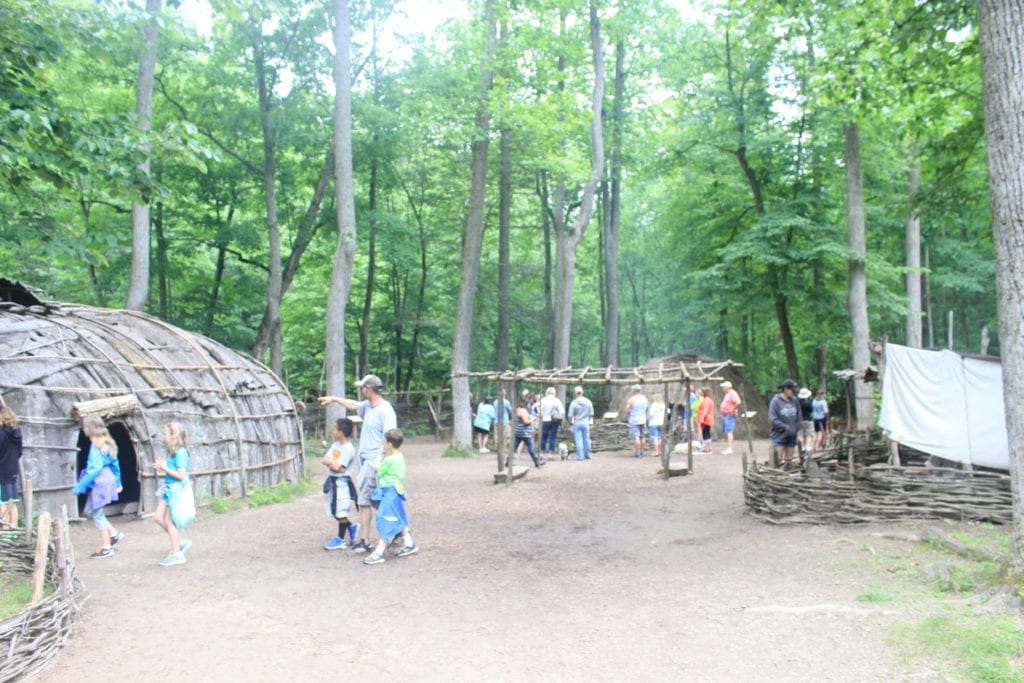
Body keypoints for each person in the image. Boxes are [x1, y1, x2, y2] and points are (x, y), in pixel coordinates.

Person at [319, 374, 397, 556]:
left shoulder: (385, 410)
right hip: (365, 462)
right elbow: (353, 405)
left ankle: (368, 541)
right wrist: (335, 399)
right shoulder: (368, 407)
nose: (361, 391)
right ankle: (400, 533)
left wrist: (379, 461)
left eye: (362, 388)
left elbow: (389, 438)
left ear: (369, 389)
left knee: (366, 501)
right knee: (375, 501)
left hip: (374, 462)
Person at [72, 416, 125, 559]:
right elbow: (115, 465)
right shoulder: (108, 444)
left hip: (100, 482)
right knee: (92, 511)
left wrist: (80, 486)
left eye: (84, 427)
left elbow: (94, 469)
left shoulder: (96, 447)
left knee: (96, 513)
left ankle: (107, 547)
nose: (83, 429)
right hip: (107, 480)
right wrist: (118, 482)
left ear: (89, 429)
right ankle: (114, 534)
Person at [363, 428, 418, 565]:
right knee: (398, 518)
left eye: (385, 442)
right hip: (397, 490)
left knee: (385, 519)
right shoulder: (400, 456)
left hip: (389, 493)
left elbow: (377, 468)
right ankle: (410, 544)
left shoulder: (389, 460)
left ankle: (378, 552)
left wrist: (379, 454)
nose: (383, 444)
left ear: (390, 444)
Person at [153, 421, 194, 567]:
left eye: (165, 434)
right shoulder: (173, 452)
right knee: (158, 517)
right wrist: (164, 465)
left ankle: (177, 554)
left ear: (174, 435)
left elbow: (181, 475)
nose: (164, 437)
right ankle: (179, 541)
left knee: (170, 522)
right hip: (168, 488)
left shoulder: (181, 452)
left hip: (175, 489)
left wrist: (163, 468)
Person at [321, 417, 359, 551]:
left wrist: (332, 464)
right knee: (334, 510)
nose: (333, 431)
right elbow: (325, 460)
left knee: (341, 512)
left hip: (342, 483)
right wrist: (333, 464)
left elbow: (339, 468)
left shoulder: (348, 449)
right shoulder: (336, 444)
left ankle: (340, 539)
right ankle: (351, 527)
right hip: (333, 481)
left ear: (341, 432)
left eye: (335, 429)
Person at [0, 403, 24, 536]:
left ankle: (5, 530)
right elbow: (19, 452)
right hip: (13, 470)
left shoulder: (2, 434)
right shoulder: (17, 433)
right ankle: (13, 530)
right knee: (13, 502)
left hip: (2, 471)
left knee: (3, 502)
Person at [769, 379, 802, 463]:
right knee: (778, 461)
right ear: (786, 389)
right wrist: (785, 428)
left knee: (789, 461)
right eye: (792, 390)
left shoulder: (795, 401)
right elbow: (773, 419)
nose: (794, 393)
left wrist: (796, 428)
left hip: (792, 436)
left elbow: (799, 417)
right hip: (779, 436)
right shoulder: (775, 401)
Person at [513, 396, 544, 468]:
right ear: (525, 403)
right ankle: (536, 462)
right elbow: (526, 422)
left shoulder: (517, 410)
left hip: (518, 431)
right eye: (528, 404)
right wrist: (533, 419)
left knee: (514, 447)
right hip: (524, 432)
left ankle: (508, 461)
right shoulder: (523, 411)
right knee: (530, 446)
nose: (529, 405)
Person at [623, 384, 649, 458]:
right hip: (643, 419)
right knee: (642, 436)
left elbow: (626, 410)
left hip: (634, 420)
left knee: (636, 436)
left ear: (634, 390)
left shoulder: (632, 399)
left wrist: (630, 412)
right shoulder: (645, 398)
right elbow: (647, 408)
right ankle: (642, 452)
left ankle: (637, 453)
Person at [538, 387, 565, 460]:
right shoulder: (556, 400)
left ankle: (541, 454)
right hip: (554, 420)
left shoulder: (543, 400)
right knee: (552, 437)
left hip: (545, 420)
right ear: (554, 392)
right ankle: (550, 455)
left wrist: (543, 415)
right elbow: (562, 411)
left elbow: (540, 411)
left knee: (544, 437)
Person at [568, 386, 594, 461]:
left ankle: (580, 456)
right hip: (585, 422)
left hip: (577, 422)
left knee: (578, 439)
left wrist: (571, 423)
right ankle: (588, 455)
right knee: (587, 439)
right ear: (582, 392)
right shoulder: (588, 401)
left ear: (575, 393)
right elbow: (591, 413)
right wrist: (588, 419)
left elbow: (570, 415)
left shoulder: (574, 402)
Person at [719, 380, 742, 455]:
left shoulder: (732, 393)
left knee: (729, 431)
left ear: (727, 387)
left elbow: (738, 402)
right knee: (728, 431)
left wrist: (733, 409)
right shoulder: (728, 394)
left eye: (723, 387)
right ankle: (729, 447)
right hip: (726, 414)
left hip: (729, 415)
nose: (722, 388)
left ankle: (730, 448)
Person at [696, 387, 715, 453]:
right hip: (708, 419)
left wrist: (701, 418)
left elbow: (705, 410)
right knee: (707, 433)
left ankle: (706, 448)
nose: (701, 393)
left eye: (701, 392)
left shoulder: (706, 400)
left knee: (705, 434)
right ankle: (708, 448)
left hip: (705, 419)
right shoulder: (710, 399)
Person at [647, 394, 666, 459]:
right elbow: (668, 411)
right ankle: (660, 451)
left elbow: (651, 414)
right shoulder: (663, 405)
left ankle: (656, 451)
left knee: (655, 438)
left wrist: (648, 417)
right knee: (660, 437)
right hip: (661, 422)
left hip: (654, 422)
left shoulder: (654, 405)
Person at [798, 387, 815, 454]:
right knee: (809, 434)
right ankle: (808, 448)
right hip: (808, 420)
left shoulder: (797, 403)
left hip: (799, 420)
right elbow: (811, 410)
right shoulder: (808, 403)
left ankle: (802, 448)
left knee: (800, 435)